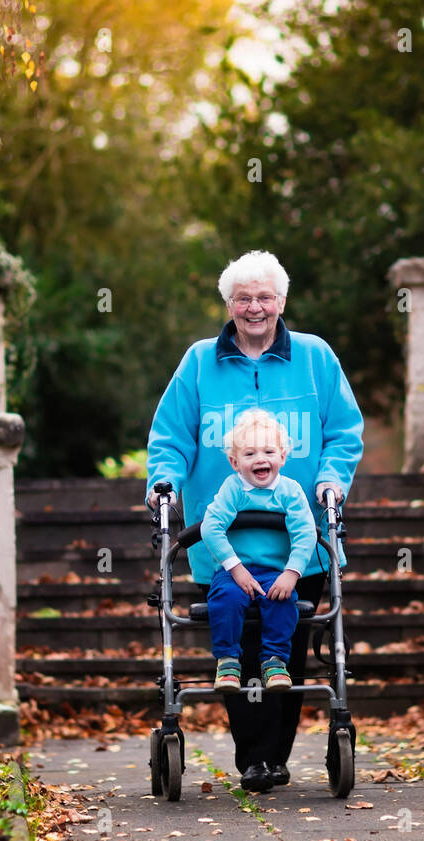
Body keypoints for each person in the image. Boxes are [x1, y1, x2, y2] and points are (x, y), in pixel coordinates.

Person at [145, 249, 364, 793]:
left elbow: (343, 430)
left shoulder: (315, 357)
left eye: (265, 297)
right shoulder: (199, 362)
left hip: (299, 539)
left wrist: (333, 478)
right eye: (243, 298)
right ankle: (254, 758)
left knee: (287, 643)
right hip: (221, 545)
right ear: (229, 304)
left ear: (282, 301)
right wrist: (162, 484)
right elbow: (170, 437)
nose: (255, 308)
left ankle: (273, 754)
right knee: (236, 645)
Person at [201, 409, 317, 695]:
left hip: (275, 572)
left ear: (282, 457)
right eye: (250, 454)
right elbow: (211, 527)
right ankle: (227, 661)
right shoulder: (233, 489)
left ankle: (274, 661)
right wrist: (236, 569)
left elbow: (305, 532)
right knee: (225, 598)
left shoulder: (290, 491)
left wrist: (291, 573)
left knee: (282, 599)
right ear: (234, 462)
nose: (260, 459)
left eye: (268, 451)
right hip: (234, 572)